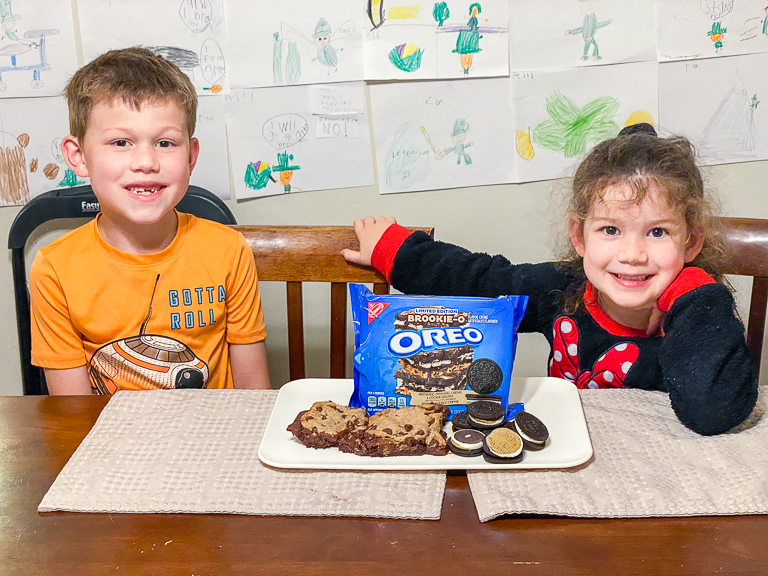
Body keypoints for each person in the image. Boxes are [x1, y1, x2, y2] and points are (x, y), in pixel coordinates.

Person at [342, 123, 758, 436]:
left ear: (691, 241)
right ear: (579, 236)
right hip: (563, 455)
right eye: (610, 230)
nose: (632, 254)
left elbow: (713, 412)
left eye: (658, 232)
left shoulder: (702, 310)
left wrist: (695, 293)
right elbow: (479, 280)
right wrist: (395, 250)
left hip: (657, 476)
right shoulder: (562, 288)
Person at [29, 47, 271, 395]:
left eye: (165, 143)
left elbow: (254, 395)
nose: (145, 162)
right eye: (121, 142)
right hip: (105, 431)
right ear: (78, 156)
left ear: (191, 156)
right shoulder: (54, 269)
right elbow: (73, 413)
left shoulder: (229, 251)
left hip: (213, 428)